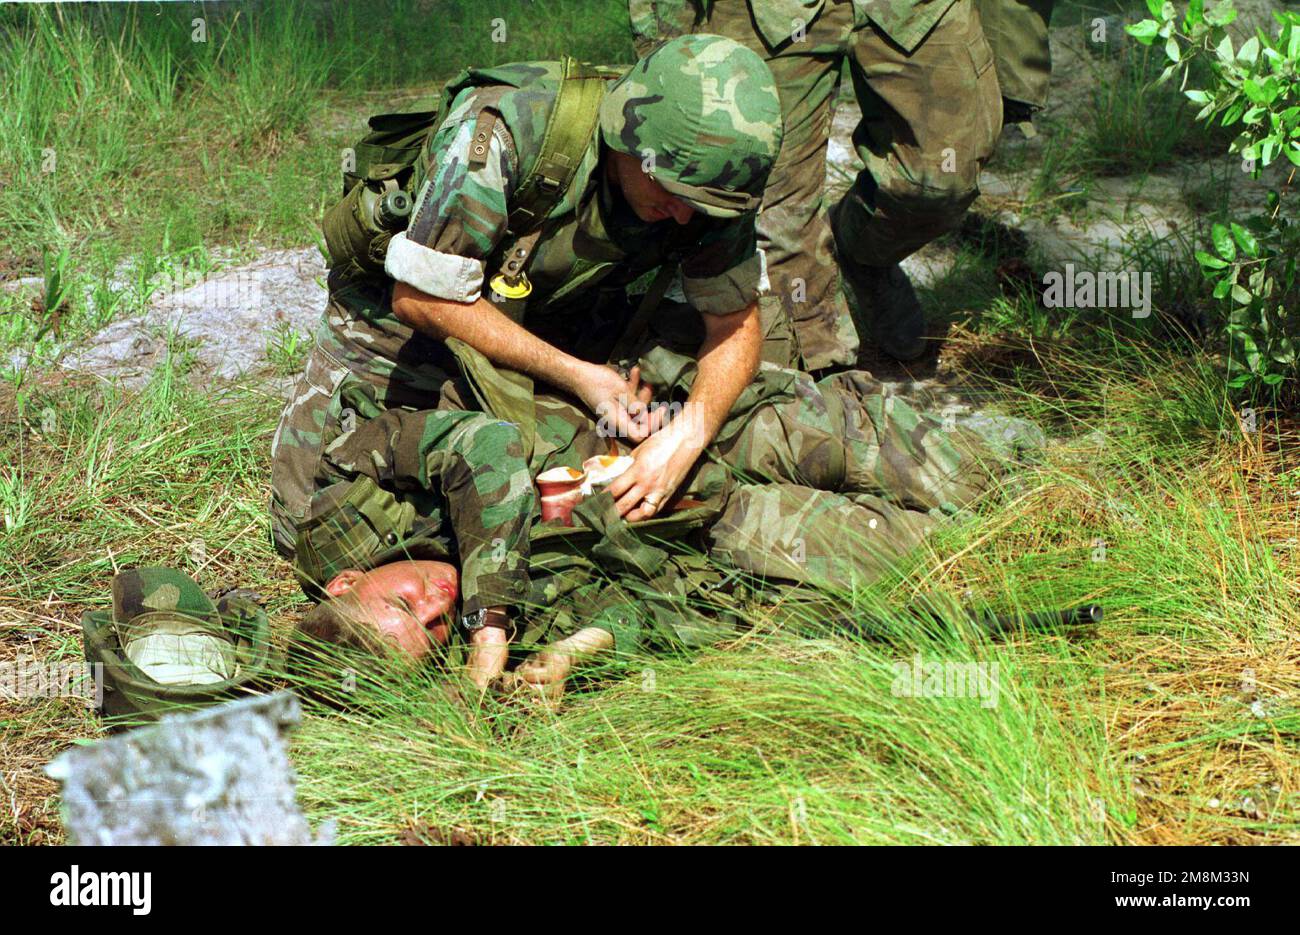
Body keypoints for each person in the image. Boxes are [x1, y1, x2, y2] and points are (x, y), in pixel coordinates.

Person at [272, 34, 785, 686]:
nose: (685, 215)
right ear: (631, 141)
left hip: (531, 300)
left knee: (556, 467)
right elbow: (421, 295)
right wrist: (578, 374)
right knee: (309, 528)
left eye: (701, 205)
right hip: (404, 315)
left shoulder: (702, 179)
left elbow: (735, 323)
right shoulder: (508, 129)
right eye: (672, 192)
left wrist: (688, 435)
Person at [285, 336, 1042, 697]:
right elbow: (630, 610)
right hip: (704, 524)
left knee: (946, 465)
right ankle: (1057, 534)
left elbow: (480, 444)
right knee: (942, 556)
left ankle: (1046, 474)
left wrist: (485, 621)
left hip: (659, 422)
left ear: (350, 577)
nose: (437, 602)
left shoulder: (347, 496)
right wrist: (568, 656)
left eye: (406, 602)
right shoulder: (499, 637)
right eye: (435, 630)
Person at [627, 0, 1006, 367]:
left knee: (939, 183)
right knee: (770, 209)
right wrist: (662, 43)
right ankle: (819, 370)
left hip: (914, 8)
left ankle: (859, 249)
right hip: (765, 12)